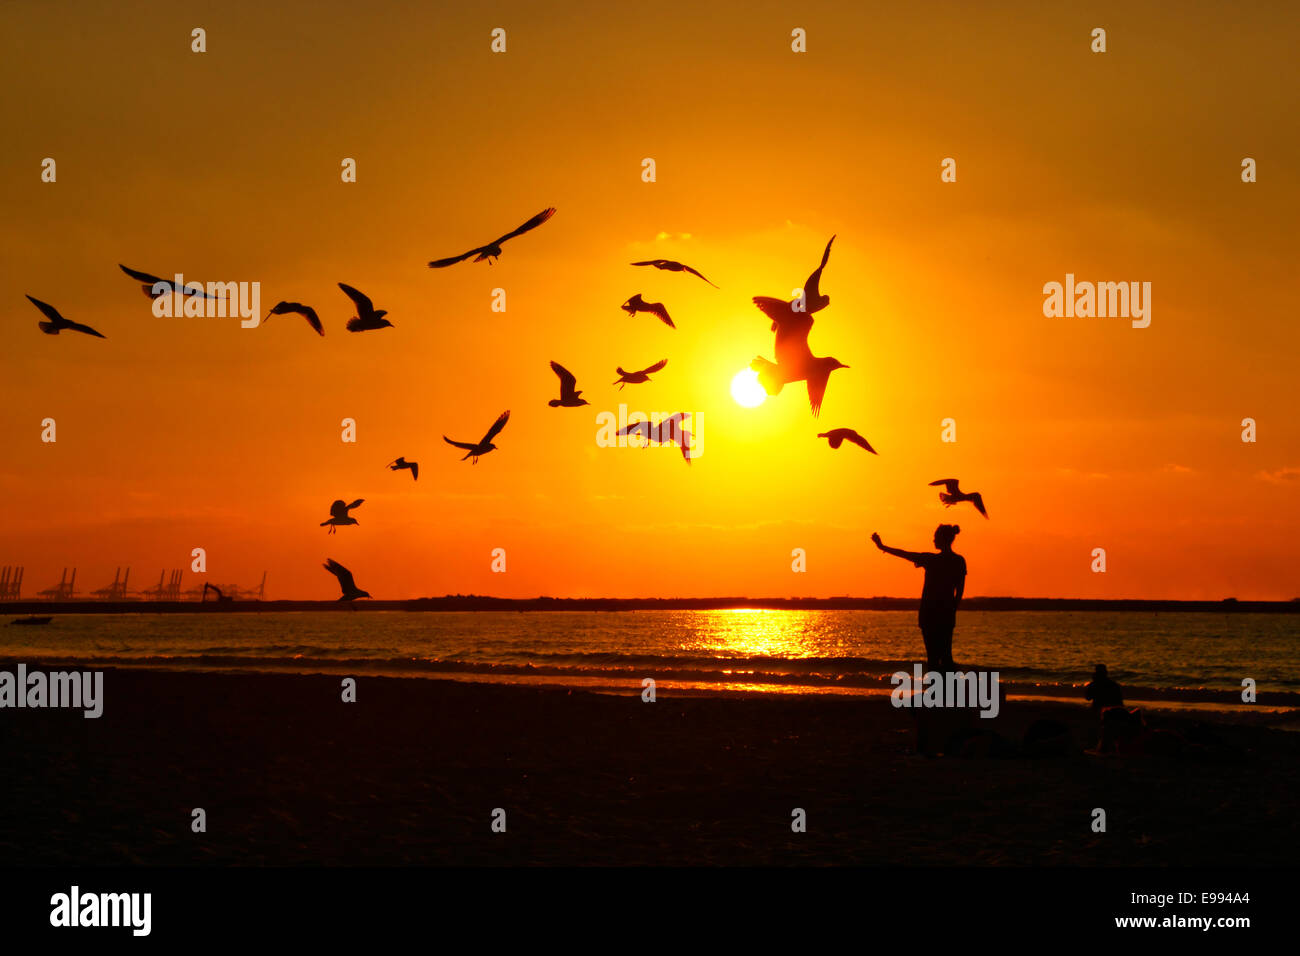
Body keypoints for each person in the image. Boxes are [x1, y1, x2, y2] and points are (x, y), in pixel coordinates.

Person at [872, 525, 966, 672]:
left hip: (929, 614)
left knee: (933, 657)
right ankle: (948, 690)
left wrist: (881, 546)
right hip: (946, 613)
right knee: (946, 653)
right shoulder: (958, 561)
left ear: (942, 539)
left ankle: (937, 691)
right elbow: (959, 590)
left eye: (935, 537)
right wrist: (953, 609)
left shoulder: (931, 559)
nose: (933, 540)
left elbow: (904, 554)